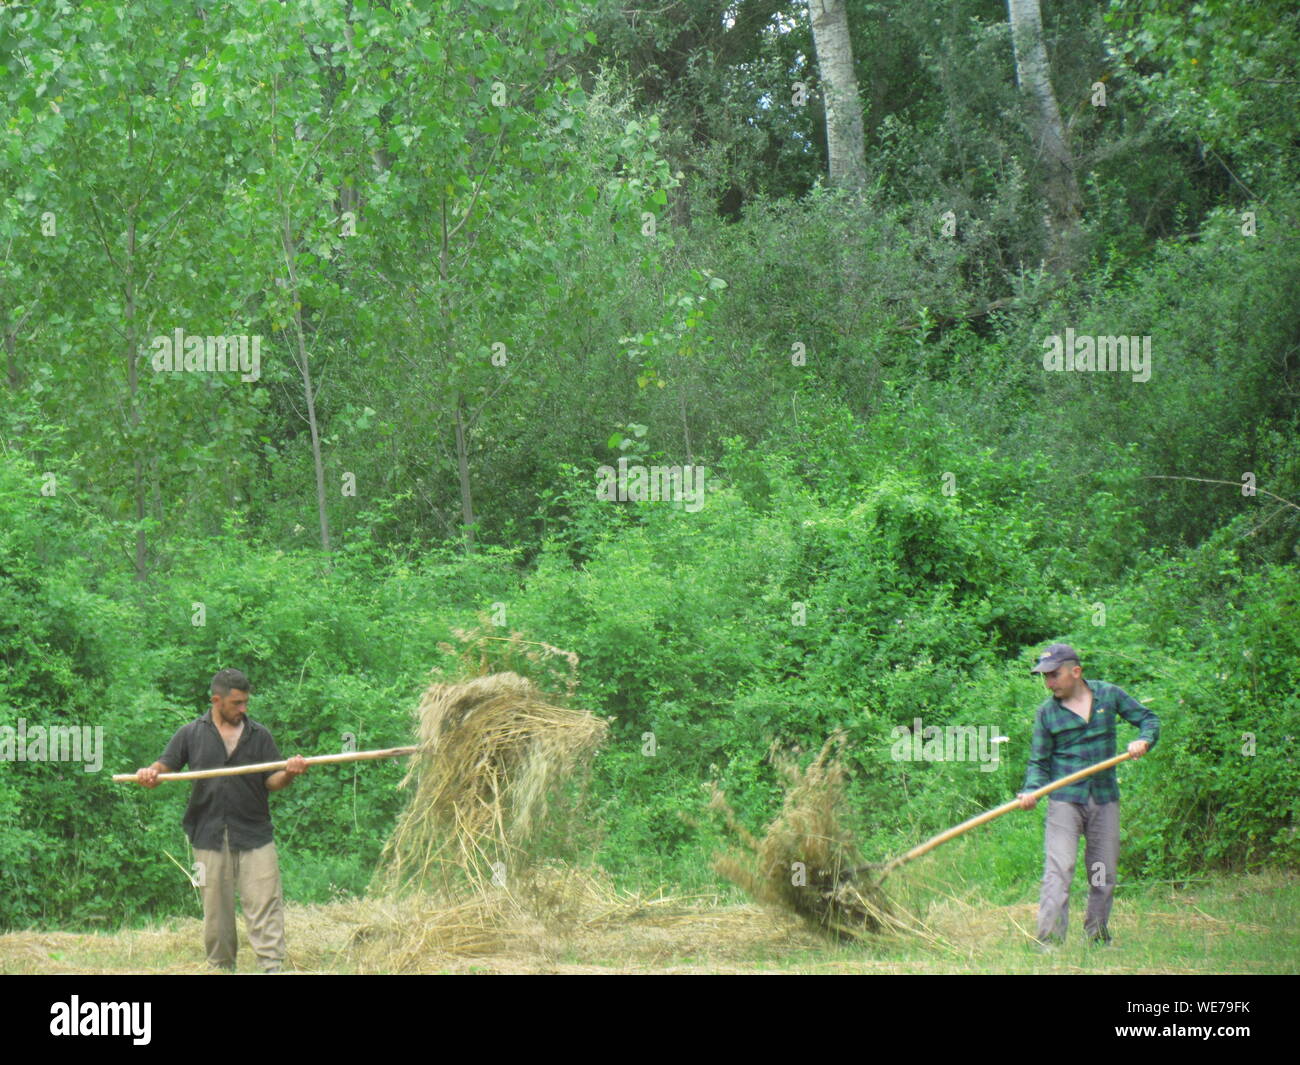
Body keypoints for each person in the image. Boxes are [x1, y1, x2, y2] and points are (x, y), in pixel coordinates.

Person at [136, 668, 308, 972]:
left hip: (255, 833)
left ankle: (271, 966)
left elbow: (273, 780)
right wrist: (150, 774)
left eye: (245, 703)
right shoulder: (190, 733)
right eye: (237, 703)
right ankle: (221, 967)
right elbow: (165, 766)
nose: (243, 710)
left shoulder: (259, 735)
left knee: (265, 903)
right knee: (216, 910)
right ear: (217, 700)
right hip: (208, 835)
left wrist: (290, 772)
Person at [1016, 644, 1158, 949]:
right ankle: (1049, 942)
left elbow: (1149, 719)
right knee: (1059, 870)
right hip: (1065, 800)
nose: (1049, 682)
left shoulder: (1109, 695)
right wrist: (1031, 791)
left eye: (1054, 675)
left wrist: (1143, 740)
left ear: (1075, 672)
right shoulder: (1047, 713)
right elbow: (1039, 762)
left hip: (1104, 798)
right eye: (1045, 677)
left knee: (1102, 872)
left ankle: (1097, 935)